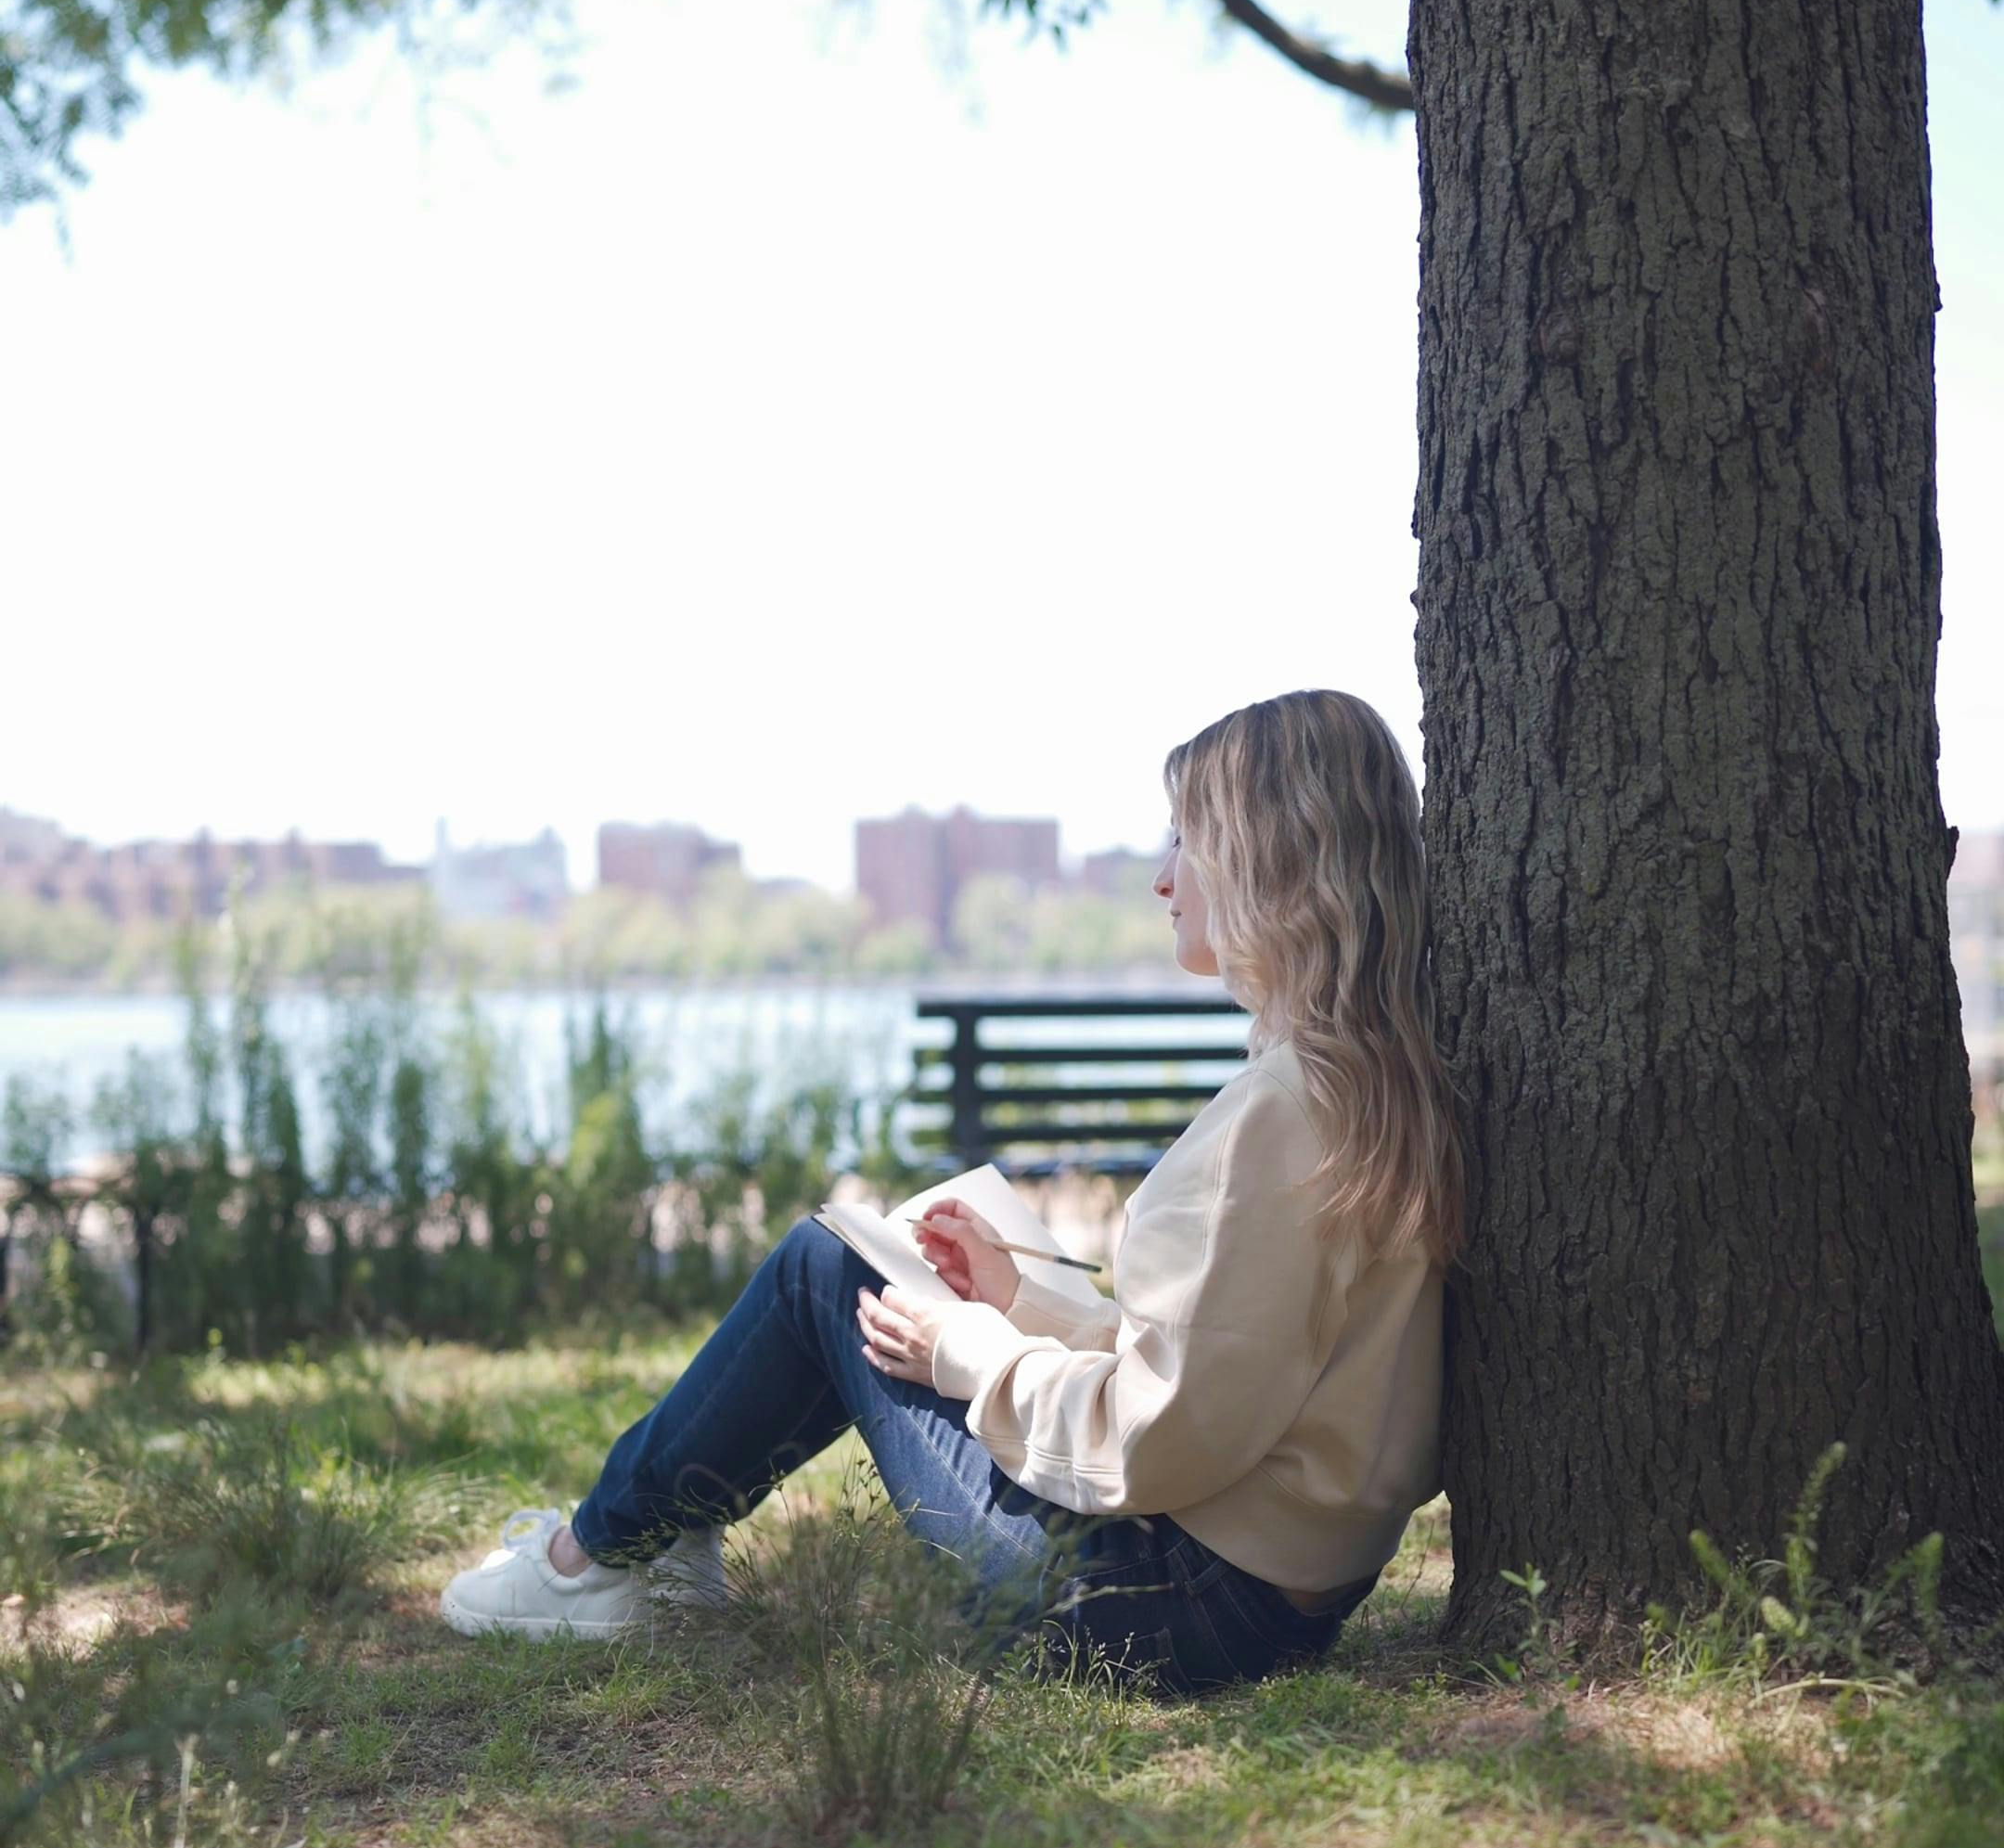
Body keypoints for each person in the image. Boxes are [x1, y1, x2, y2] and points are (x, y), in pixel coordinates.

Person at [439, 689, 1462, 1693]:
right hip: (1272, 1596)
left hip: (1160, 1606)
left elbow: (1157, 1441)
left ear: (1266, 859)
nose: (1162, 878)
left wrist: (967, 1350)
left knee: (824, 1266)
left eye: (1187, 839)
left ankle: (596, 1558)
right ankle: (651, 1544)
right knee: (853, 1265)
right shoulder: (1374, 1087)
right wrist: (1020, 1303)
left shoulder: (1281, 1115)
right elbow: (1230, 1373)